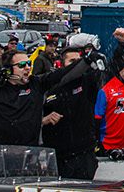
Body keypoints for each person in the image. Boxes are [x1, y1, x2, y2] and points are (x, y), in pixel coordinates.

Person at [0, 44, 91, 147]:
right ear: (8, 69)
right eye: (22, 65)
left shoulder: (36, 84)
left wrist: (87, 60)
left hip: (29, 153)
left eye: (29, 63)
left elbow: (63, 75)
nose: (27, 68)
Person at [43, 37, 107, 179]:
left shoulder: (87, 82)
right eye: (72, 62)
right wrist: (44, 120)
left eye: (79, 62)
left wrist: (122, 46)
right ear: (61, 64)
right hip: (58, 155)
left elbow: (106, 75)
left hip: (84, 153)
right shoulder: (49, 87)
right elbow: (34, 117)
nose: (78, 66)